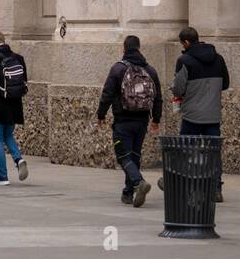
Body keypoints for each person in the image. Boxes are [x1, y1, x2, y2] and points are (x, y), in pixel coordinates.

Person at [97, 34, 162, 207]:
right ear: (139, 48)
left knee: (123, 155)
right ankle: (128, 193)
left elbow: (107, 93)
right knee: (134, 155)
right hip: (142, 120)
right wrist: (156, 118)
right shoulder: (150, 70)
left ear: (124, 48)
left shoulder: (118, 68)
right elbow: (158, 97)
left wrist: (101, 114)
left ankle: (139, 182)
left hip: (123, 119)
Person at [167, 26, 229, 201]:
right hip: (213, 115)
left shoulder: (184, 60)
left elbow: (178, 89)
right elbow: (225, 84)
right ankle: (216, 189)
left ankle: (187, 185)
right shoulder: (218, 58)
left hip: (192, 116)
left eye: (182, 43)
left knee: (185, 150)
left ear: (186, 42)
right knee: (214, 152)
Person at [0, 30, 29, 185]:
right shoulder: (19, 58)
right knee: (8, 135)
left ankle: (2, 176)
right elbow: (24, 80)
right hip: (15, 103)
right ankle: (18, 159)